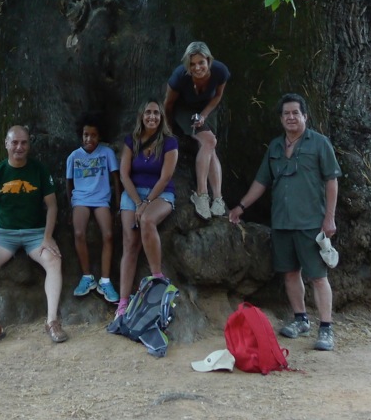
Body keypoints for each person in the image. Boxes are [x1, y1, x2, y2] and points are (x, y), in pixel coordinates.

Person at [228, 93, 341, 351]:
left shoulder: (320, 143)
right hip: (281, 223)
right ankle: (300, 319)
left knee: (318, 276)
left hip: (311, 223)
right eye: (286, 113)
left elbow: (332, 181)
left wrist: (330, 218)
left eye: (295, 113)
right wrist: (241, 207)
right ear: (281, 119)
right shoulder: (275, 147)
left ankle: (326, 329)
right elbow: (261, 182)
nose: (291, 117)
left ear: (305, 117)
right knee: (290, 273)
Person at [0, 125, 68, 347]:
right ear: (6, 144)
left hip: (35, 234)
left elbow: (52, 206)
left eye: (24, 142)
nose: (19, 147)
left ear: (29, 145)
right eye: (14, 142)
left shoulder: (39, 171)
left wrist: (47, 237)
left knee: (54, 260)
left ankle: (52, 321)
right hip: (3, 236)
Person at [115, 99, 179, 319]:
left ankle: (157, 279)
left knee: (147, 220)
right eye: (148, 112)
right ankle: (123, 303)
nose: (152, 116)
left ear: (161, 117)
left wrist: (147, 203)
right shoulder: (131, 141)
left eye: (156, 113)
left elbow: (166, 177)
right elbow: (124, 175)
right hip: (133, 194)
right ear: (141, 116)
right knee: (130, 244)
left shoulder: (170, 142)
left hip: (160, 193)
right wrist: (137, 202)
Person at [164, 40, 230, 220]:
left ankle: (218, 198)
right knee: (210, 141)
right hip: (183, 109)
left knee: (210, 145)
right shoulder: (179, 76)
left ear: (209, 60)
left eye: (201, 62)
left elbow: (218, 96)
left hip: (204, 109)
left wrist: (204, 115)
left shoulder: (220, 71)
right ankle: (201, 194)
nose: (197, 68)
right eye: (192, 64)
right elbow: (168, 104)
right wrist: (168, 128)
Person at [65, 114, 120, 303]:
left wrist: (117, 205)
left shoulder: (107, 153)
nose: (89, 139)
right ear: (81, 135)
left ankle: (105, 281)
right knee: (79, 233)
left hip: (101, 199)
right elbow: (69, 183)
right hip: (80, 199)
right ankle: (87, 277)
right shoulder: (74, 156)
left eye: (93, 135)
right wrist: (70, 207)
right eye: (86, 135)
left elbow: (116, 179)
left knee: (108, 235)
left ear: (99, 136)